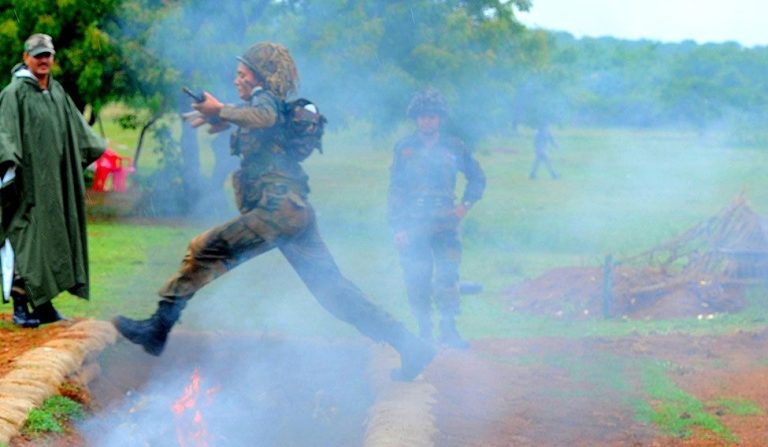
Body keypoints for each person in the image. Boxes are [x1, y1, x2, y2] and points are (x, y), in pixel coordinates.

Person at [113, 42, 435, 381]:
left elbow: (263, 116)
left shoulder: (264, 100)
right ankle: (410, 345)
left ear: (259, 77)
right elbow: (263, 124)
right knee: (334, 291)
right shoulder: (266, 106)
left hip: (277, 212)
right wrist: (225, 120)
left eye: (242, 74)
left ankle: (157, 329)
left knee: (203, 249)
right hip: (295, 213)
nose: (237, 80)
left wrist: (221, 110)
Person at [0, 33, 106, 328]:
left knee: (51, 243)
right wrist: (9, 169)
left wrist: (95, 148)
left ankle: (45, 306)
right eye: (37, 55)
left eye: (47, 55)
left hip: (55, 185)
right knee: (27, 243)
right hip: (27, 187)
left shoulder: (57, 91)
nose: (43, 60)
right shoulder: (14, 93)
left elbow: (77, 131)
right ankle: (21, 306)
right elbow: (5, 134)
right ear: (26, 58)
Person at [388, 88, 486, 349]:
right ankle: (423, 332)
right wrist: (397, 227)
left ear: (440, 118)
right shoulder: (404, 149)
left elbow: (477, 178)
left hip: (446, 224)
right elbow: (396, 190)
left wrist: (465, 206)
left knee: (448, 275)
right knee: (417, 278)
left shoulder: (454, 147)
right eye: (422, 117)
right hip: (413, 224)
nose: (426, 121)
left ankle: (449, 330)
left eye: (431, 116)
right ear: (416, 119)